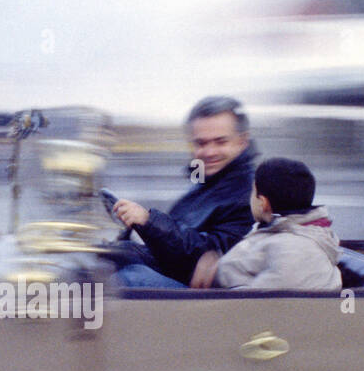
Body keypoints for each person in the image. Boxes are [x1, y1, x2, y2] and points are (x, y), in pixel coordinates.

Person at [108, 96, 257, 287]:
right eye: (201, 144)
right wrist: (137, 230)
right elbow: (181, 233)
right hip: (179, 273)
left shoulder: (250, 193)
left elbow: (211, 254)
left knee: (128, 279)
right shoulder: (204, 177)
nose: (209, 152)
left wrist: (149, 221)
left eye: (220, 142)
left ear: (242, 142)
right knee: (110, 258)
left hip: (211, 295)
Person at [190, 158, 341, 291]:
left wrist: (210, 288)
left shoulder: (297, 251)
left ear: (263, 203)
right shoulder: (278, 232)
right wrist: (216, 267)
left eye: (252, 191)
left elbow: (258, 304)